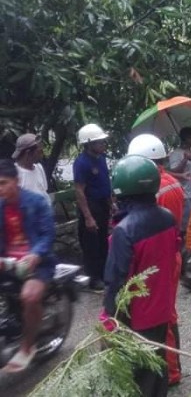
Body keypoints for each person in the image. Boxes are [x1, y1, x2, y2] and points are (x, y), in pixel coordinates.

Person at [104, 155, 178, 396]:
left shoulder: (124, 231)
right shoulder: (168, 218)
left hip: (136, 318)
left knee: (137, 377)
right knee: (157, 365)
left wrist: (109, 319)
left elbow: (116, 282)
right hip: (162, 309)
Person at [127, 134, 185, 385]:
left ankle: (170, 372)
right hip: (171, 252)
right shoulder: (173, 182)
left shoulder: (152, 189)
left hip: (157, 257)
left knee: (162, 314)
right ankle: (173, 367)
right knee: (168, 310)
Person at [0, 159, 56, 373]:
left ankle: (27, 346)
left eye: (3, 183)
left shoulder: (36, 202)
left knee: (29, 297)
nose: (0, 189)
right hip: (7, 263)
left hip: (38, 264)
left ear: (16, 181)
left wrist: (35, 255)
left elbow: (48, 234)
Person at [73, 123, 112, 291]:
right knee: (91, 244)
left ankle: (104, 274)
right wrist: (88, 217)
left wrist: (111, 204)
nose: (103, 144)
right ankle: (93, 278)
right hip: (90, 206)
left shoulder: (101, 159)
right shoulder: (81, 163)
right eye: (99, 142)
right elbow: (79, 191)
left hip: (103, 205)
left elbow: (105, 183)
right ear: (89, 144)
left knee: (103, 241)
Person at [169, 127, 191, 231]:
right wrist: (185, 159)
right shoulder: (176, 154)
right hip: (186, 195)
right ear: (188, 139)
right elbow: (174, 172)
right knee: (187, 225)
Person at [12, 134, 49, 203]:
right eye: (39, 151)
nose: (42, 154)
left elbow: (44, 191)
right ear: (28, 153)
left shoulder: (39, 168)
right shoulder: (13, 173)